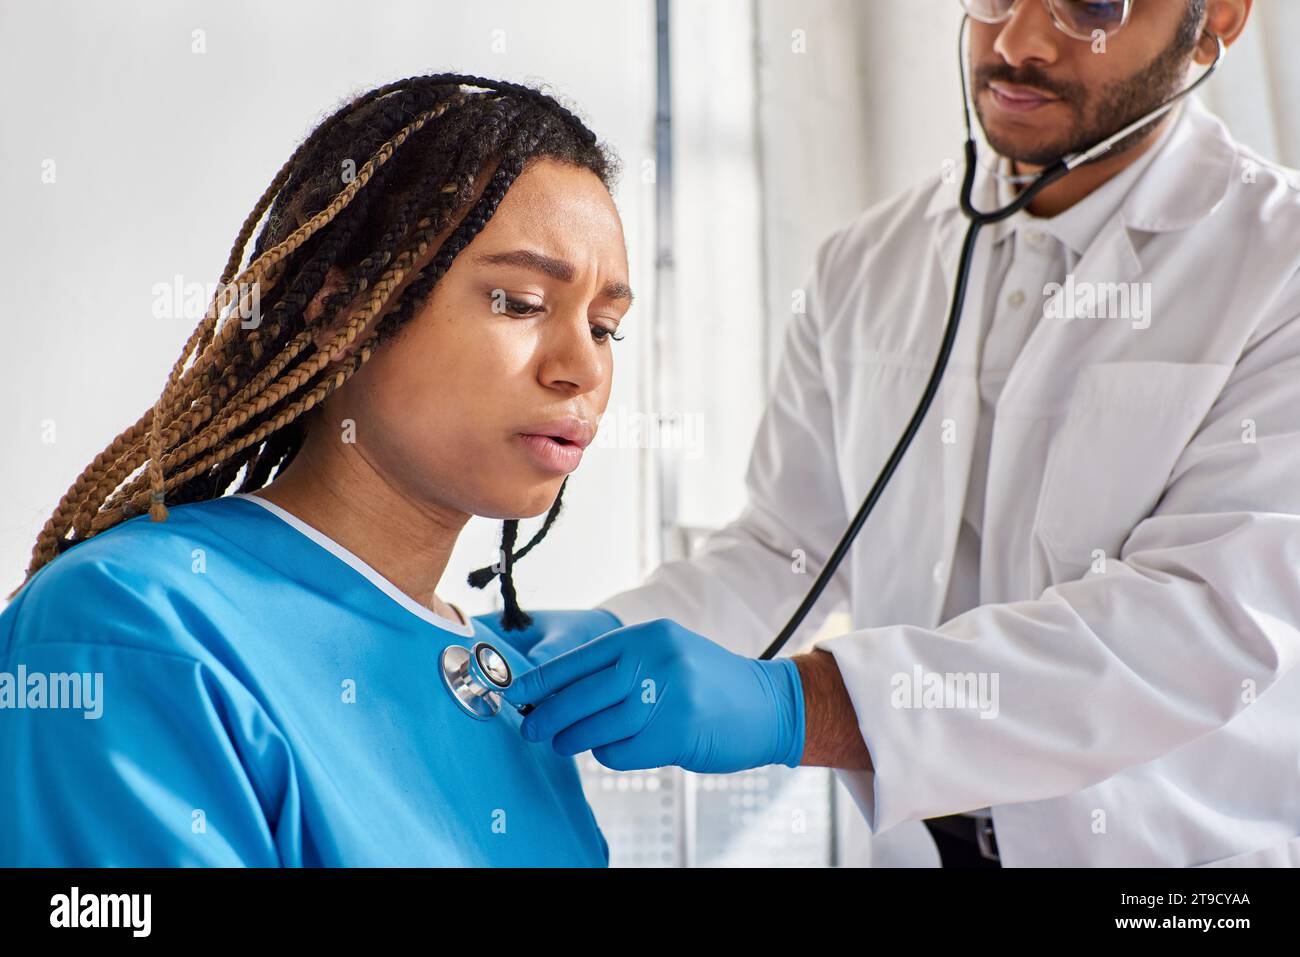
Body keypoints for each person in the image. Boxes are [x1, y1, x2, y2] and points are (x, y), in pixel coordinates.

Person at [483, 0, 1300, 867]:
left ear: (1217, 19)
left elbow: (1199, 625)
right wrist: (611, 634)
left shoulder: (1276, 266)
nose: (1017, 41)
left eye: (1091, 5)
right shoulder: (866, 264)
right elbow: (786, 549)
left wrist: (804, 706)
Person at [0, 75, 633, 866]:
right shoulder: (130, 625)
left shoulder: (513, 703)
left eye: (607, 327)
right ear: (342, 314)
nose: (582, 367)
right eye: (517, 301)